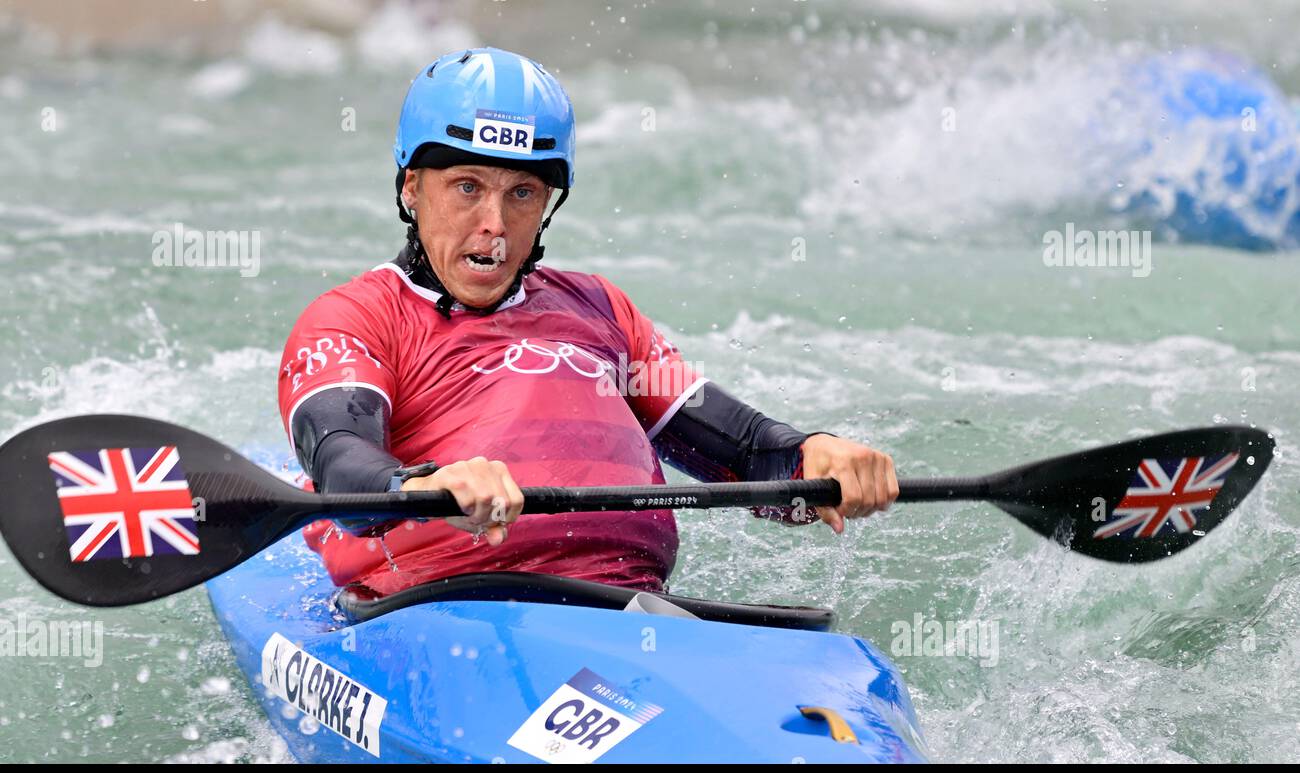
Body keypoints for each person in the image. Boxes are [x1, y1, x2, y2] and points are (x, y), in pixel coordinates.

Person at [277, 47, 898, 596]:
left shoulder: (598, 309)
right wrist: (423, 485)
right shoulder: (356, 317)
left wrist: (813, 455)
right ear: (412, 188)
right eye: (468, 187)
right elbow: (338, 458)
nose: (493, 222)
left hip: (627, 613)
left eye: (522, 193)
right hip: (441, 610)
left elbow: (745, 450)